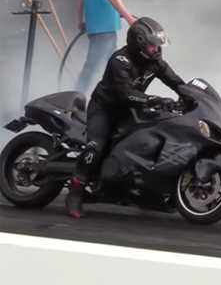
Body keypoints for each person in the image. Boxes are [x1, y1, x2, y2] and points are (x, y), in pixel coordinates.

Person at [66, 17, 192, 219]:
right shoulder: (120, 61)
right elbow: (125, 93)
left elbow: (176, 82)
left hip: (132, 109)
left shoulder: (156, 62)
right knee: (95, 147)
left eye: (158, 46)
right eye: (153, 46)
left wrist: (193, 98)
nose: (157, 50)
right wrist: (154, 99)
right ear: (139, 43)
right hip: (105, 108)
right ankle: (76, 190)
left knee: (148, 138)